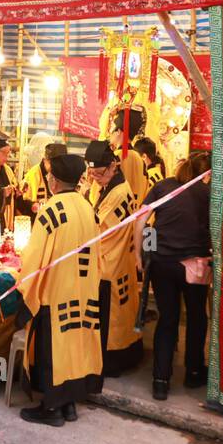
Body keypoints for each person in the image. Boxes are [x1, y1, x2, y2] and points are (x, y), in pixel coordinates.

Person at [15, 152, 103, 426]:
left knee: (52, 350)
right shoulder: (87, 206)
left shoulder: (51, 210)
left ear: (54, 180)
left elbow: (34, 256)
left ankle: (51, 408)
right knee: (75, 345)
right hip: (83, 288)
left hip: (55, 291)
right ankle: (69, 405)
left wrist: (23, 284)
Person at [137, 151, 211, 400]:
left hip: (162, 264)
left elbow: (141, 220)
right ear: (207, 174)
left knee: (167, 319)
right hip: (195, 264)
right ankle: (193, 372)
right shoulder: (208, 193)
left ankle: (160, 381)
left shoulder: (163, 186)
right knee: (197, 317)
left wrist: (142, 253)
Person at [85, 140, 144, 376]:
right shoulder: (111, 186)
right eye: (92, 174)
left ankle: (111, 360)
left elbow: (97, 227)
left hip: (111, 260)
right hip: (116, 258)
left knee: (113, 315)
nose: (96, 179)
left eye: (100, 173)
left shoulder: (119, 193)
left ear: (114, 166)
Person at [105, 107, 150, 207]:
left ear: (119, 131)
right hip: (134, 214)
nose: (110, 134)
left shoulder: (114, 157)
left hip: (116, 215)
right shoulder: (139, 158)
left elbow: (99, 193)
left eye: (112, 129)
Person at [23, 141, 67, 210]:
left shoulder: (59, 174)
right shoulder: (34, 174)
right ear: (45, 160)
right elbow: (24, 200)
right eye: (53, 164)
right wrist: (34, 205)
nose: (56, 168)